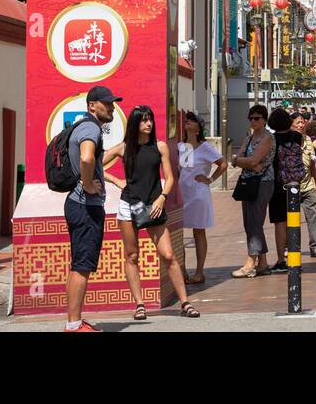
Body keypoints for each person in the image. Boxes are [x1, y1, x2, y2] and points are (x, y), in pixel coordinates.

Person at [104, 105, 200, 320]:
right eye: (143, 120)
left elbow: (170, 177)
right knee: (132, 255)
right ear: (135, 124)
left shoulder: (160, 146)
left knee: (167, 255)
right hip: (129, 206)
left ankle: (185, 302)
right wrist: (116, 180)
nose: (148, 124)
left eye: (150, 120)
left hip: (154, 204)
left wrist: (162, 197)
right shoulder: (123, 148)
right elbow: (95, 165)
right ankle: (139, 304)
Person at [64, 85, 118, 333]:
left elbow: (93, 162)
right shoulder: (90, 127)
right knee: (82, 266)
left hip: (80, 205)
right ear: (92, 106)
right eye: (107, 103)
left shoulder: (86, 127)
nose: (112, 107)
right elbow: (86, 159)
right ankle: (74, 325)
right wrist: (87, 185)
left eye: (112, 103)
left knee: (80, 265)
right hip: (85, 206)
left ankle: (75, 321)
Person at [179, 111, 225, 284]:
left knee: (199, 232)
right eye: (187, 120)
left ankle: (199, 271)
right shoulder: (180, 146)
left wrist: (211, 179)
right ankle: (182, 271)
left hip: (198, 193)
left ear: (199, 128)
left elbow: (223, 163)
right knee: (178, 233)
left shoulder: (205, 147)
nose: (188, 123)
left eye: (192, 121)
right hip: (182, 193)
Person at [229, 104, 275, 277]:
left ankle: (251, 261)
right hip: (248, 182)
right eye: (251, 118)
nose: (253, 121)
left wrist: (244, 161)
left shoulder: (268, 137)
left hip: (263, 182)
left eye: (257, 118)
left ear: (264, 120)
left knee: (255, 221)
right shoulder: (248, 138)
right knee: (249, 221)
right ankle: (262, 263)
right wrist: (246, 162)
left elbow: (253, 160)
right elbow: (239, 159)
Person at [264, 107, 302, 273]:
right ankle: (295, 255)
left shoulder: (271, 140)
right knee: (294, 220)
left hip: (278, 184)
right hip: (295, 182)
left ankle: (281, 259)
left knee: (279, 222)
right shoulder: (297, 137)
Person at [292, 113, 316, 257]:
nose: (301, 125)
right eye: (297, 122)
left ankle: (315, 246)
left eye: (302, 122)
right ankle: (290, 246)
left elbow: (312, 163)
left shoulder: (307, 140)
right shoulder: (287, 141)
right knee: (291, 219)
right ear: (291, 124)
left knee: (313, 216)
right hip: (291, 187)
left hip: (308, 186)